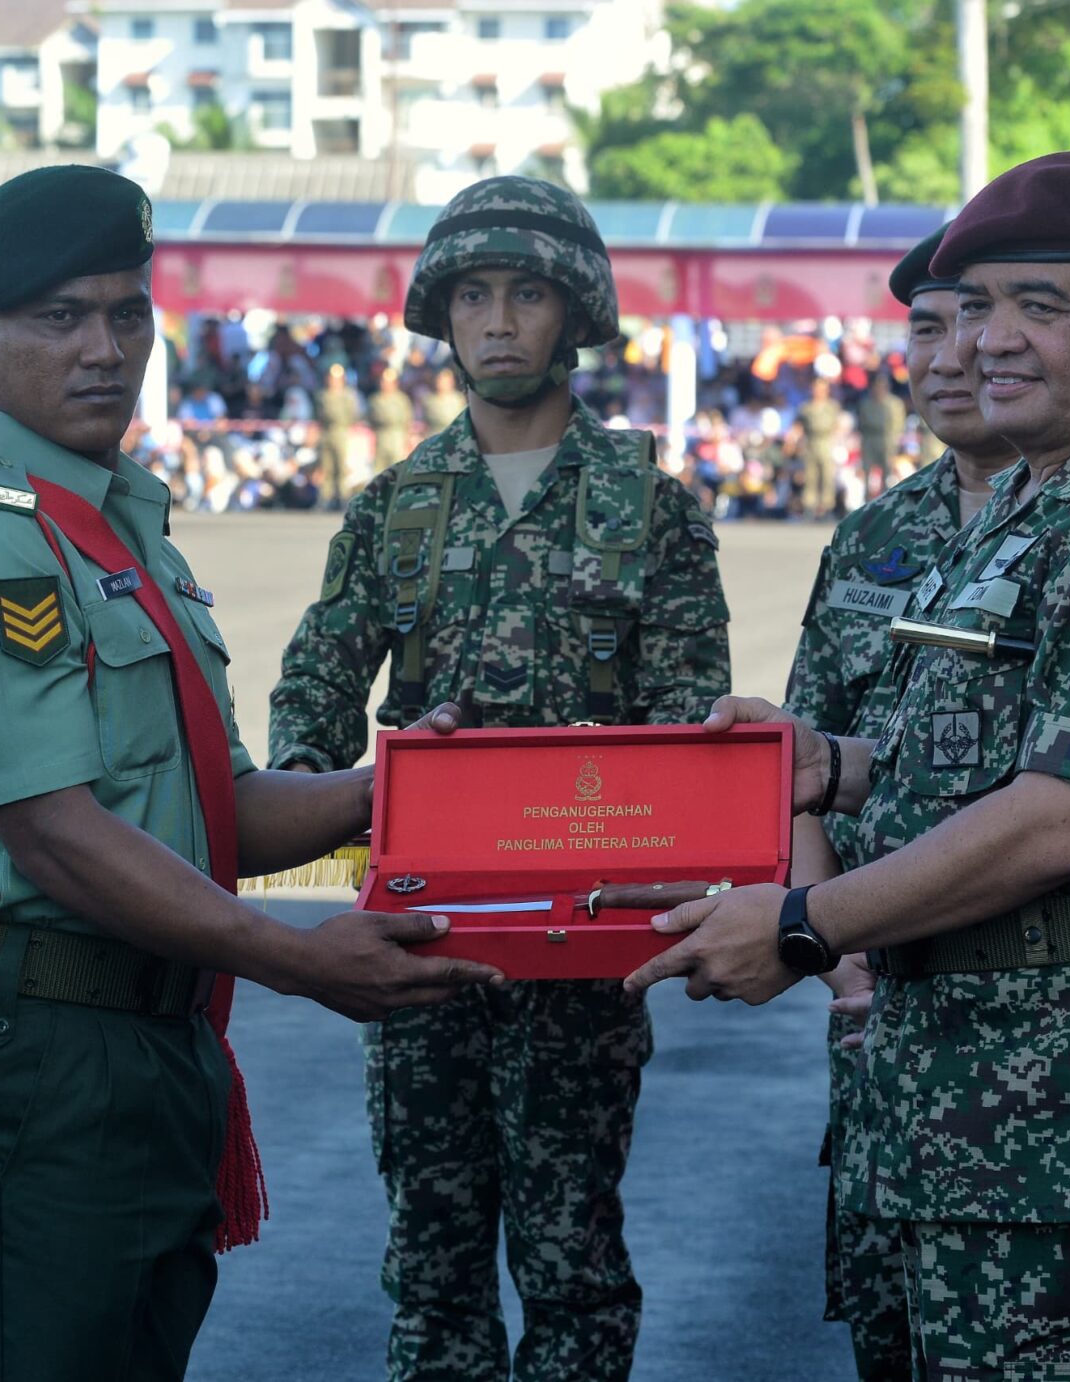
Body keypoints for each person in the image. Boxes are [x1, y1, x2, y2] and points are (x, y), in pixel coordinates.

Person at [630, 152, 1070, 1378]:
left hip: (1069, 1114)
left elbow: (1061, 818)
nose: (988, 342)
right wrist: (828, 764)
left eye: (1037, 306)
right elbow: (986, 761)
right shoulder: (1041, 501)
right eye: (975, 305)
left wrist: (797, 925)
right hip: (954, 1092)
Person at [0, 164, 505, 1382]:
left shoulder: (117, 532)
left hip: (144, 1046)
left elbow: (215, 807)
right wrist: (290, 958)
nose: (105, 349)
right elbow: (55, 832)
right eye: (61, 317)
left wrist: (403, 787)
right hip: (42, 1048)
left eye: (126, 313)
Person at [269, 176, 732, 1382]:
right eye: (472, 293)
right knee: (430, 1268)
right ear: (439, 314)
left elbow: (695, 734)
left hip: (580, 951)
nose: (497, 320)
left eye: (526, 292)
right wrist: (358, 785)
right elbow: (308, 709)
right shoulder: (393, 510)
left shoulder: (648, 509)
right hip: (420, 940)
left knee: (574, 1264)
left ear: (573, 311)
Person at [780, 225, 1019, 1382]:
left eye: (967, 321)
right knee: (889, 1322)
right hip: (876, 1006)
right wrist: (831, 942)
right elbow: (794, 763)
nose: (945, 353)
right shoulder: (873, 535)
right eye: (922, 326)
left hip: (1036, 1017)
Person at [790, 377, 844, 518]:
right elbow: (798, 426)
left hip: (826, 442)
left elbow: (838, 426)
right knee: (810, 476)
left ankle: (827, 507)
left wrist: (838, 443)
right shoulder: (806, 407)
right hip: (810, 442)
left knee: (827, 476)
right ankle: (809, 506)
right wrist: (795, 442)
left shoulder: (832, 406)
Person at [314, 359, 361, 508]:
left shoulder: (348, 396)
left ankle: (343, 498)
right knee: (326, 467)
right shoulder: (323, 395)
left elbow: (353, 415)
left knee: (341, 468)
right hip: (327, 433)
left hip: (342, 432)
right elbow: (319, 415)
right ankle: (325, 498)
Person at [855, 374, 906, 501]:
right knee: (867, 471)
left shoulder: (894, 403)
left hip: (887, 439)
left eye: (882, 386)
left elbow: (899, 423)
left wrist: (895, 440)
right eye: (876, 386)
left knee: (887, 471)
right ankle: (867, 499)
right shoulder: (866, 403)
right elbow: (861, 423)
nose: (879, 389)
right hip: (870, 439)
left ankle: (885, 497)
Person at [367, 364, 416, 474]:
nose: (386, 384)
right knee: (379, 471)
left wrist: (407, 440)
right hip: (381, 437)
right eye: (383, 381)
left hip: (397, 437)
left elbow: (408, 421)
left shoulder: (402, 400)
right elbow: (370, 420)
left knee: (397, 471)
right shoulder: (375, 400)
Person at [421, 365, 465, 436]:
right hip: (434, 436)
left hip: (454, 436)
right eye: (440, 379)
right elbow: (422, 422)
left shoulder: (458, 399)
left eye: (446, 380)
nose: (442, 382)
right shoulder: (428, 400)